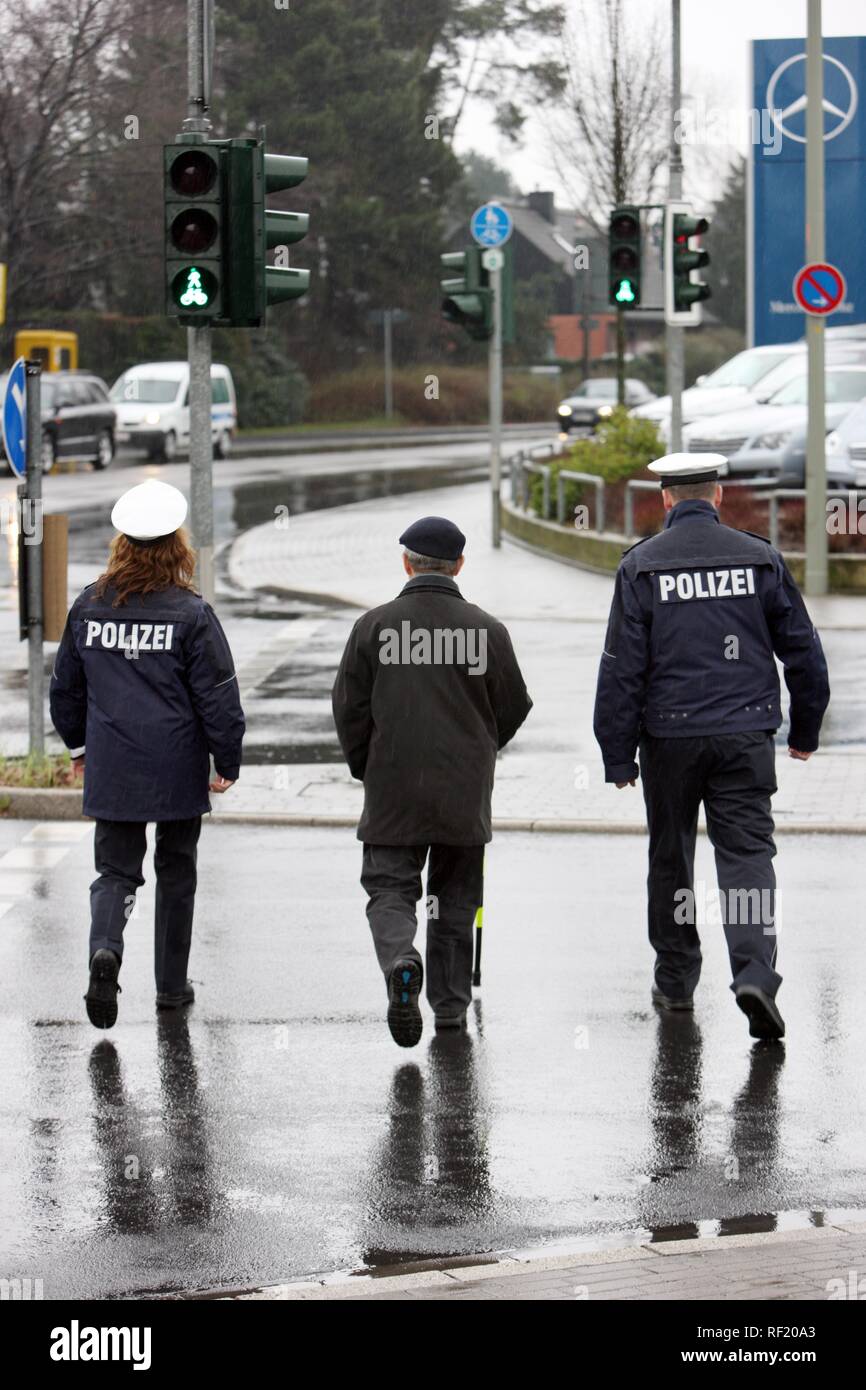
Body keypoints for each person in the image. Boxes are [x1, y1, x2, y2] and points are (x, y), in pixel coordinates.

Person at [593, 454, 830, 1041]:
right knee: (746, 856)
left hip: (669, 739)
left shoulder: (641, 567)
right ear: (718, 495)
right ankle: (754, 973)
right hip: (745, 735)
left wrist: (617, 752)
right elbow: (803, 649)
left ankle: (675, 982)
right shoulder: (760, 558)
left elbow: (621, 669)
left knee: (671, 856)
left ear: (667, 500)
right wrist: (805, 730)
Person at [50, 479, 245, 1029]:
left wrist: (79, 747)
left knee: (115, 870)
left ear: (122, 544)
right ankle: (169, 988)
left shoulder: (89, 606)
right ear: (176, 547)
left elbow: (65, 687)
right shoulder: (191, 613)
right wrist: (227, 759)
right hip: (177, 764)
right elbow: (218, 694)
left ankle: (106, 949)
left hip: (112, 761)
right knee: (176, 870)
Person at [332, 515, 532, 1047]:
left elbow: (348, 707)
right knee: (456, 897)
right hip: (464, 791)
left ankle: (401, 958)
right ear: (459, 565)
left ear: (406, 562)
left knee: (388, 887)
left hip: (393, 785)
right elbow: (512, 707)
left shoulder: (374, 626)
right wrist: (481, 751)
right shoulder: (487, 630)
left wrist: (366, 765)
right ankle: (449, 1008)